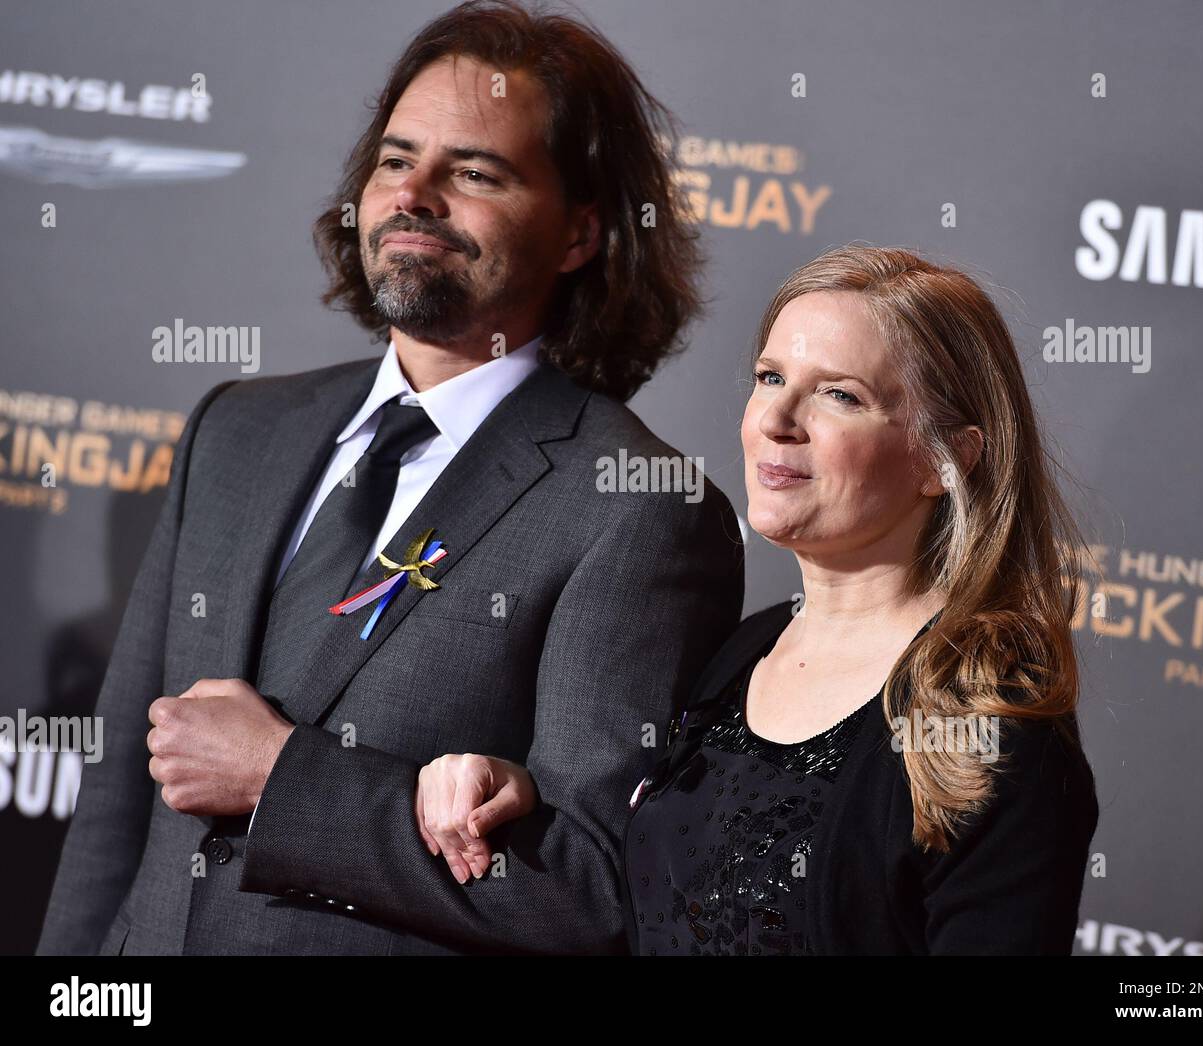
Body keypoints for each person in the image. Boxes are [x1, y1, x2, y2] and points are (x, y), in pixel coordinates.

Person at [36, 0, 744, 956]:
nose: (415, 194)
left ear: (580, 233)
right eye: (395, 160)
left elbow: (590, 889)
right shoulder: (235, 430)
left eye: (476, 172)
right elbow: (119, 795)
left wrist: (285, 781)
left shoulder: (634, 508)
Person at [416, 244, 1100, 955]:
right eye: (770, 377)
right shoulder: (743, 652)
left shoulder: (989, 728)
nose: (777, 418)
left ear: (944, 458)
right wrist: (515, 796)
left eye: (840, 394)